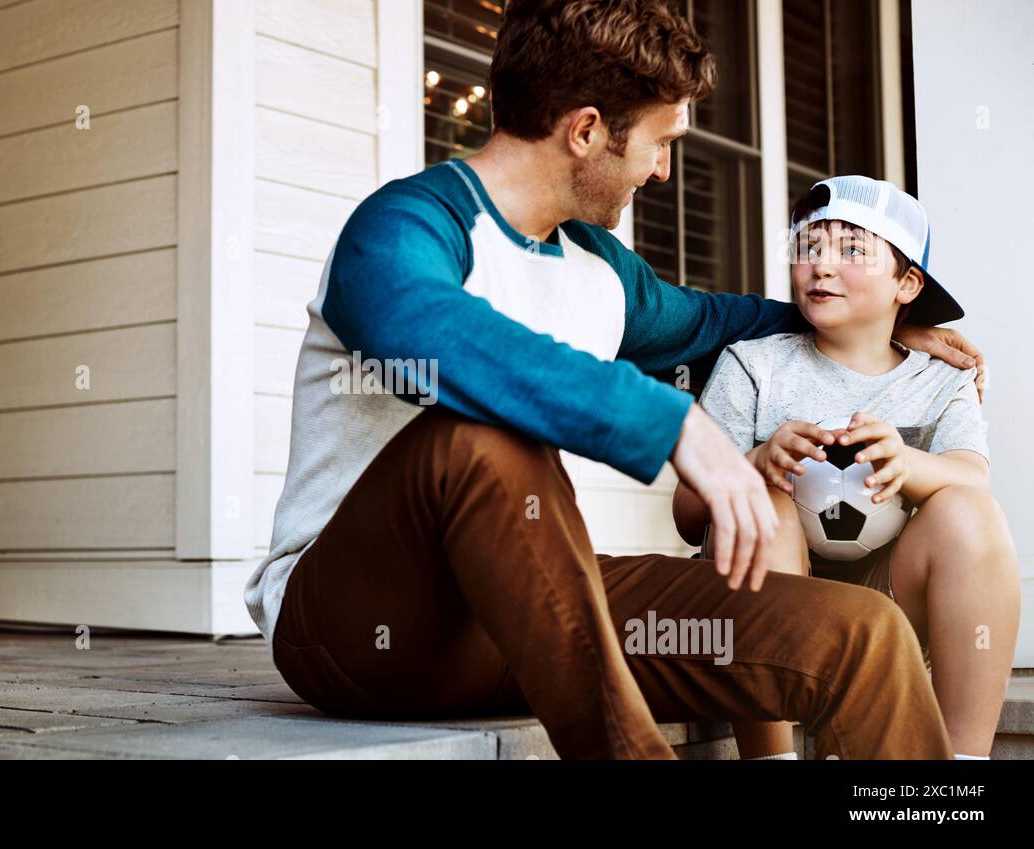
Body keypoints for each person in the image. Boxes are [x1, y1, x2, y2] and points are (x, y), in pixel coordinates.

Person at [244, 0, 985, 759]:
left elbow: (724, 321)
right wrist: (669, 421)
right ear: (588, 130)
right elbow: (427, 331)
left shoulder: (600, 270)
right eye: (661, 142)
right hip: (358, 623)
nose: (664, 169)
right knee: (479, 440)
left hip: (529, 607)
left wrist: (888, 322)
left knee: (862, 634)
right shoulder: (407, 226)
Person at [675, 176, 1018, 760]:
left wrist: (906, 461)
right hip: (772, 611)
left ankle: (961, 768)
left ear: (907, 284)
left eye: (853, 250)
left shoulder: (942, 377)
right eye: (808, 247)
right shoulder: (753, 365)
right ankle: (772, 754)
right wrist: (755, 465)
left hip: (891, 606)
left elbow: (971, 476)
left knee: (970, 511)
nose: (821, 266)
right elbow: (686, 513)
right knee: (768, 502)